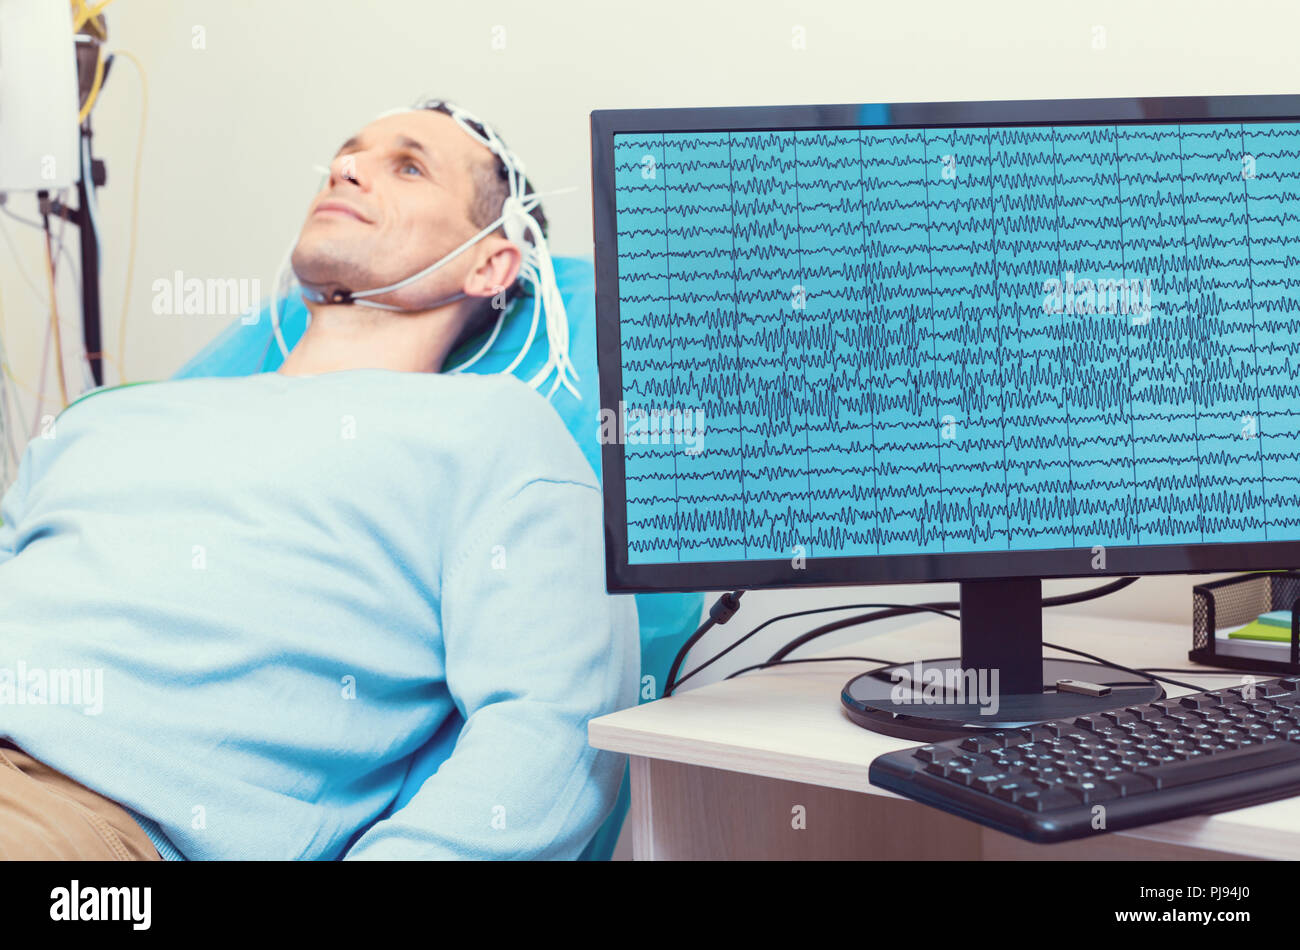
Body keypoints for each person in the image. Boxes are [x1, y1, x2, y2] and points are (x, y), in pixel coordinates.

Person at [0, 100, 638, 860]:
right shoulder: (101, 422)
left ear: (489, 262)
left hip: (74, 815)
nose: (346, 168)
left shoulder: (497, 431)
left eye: (408, 166)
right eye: (348, 153)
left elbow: (558, 731)